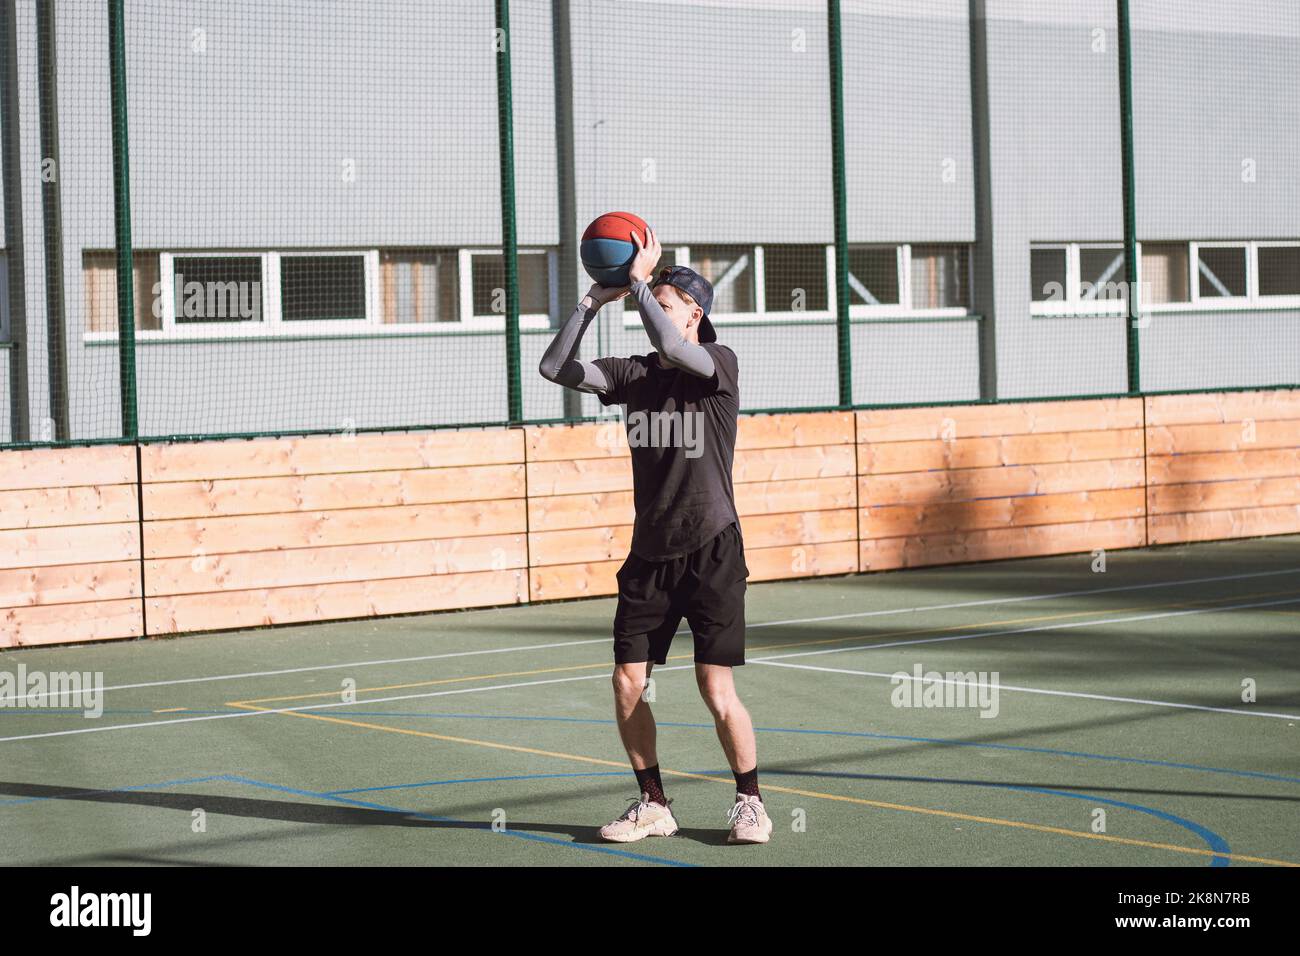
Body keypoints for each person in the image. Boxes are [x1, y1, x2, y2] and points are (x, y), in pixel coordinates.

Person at [538, 228, 771, 845]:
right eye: (654, 304)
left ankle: (750, 802)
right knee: (626, 681)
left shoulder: (717, 366)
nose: (654, 316)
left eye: (667, 305)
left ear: (696, 314)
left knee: (714, 686)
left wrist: (641, 283)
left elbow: (674, 343)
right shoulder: (634, 375)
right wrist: (590, 304)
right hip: (650, 554)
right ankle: (653, 803)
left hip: (713, 545)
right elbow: (553, 367)